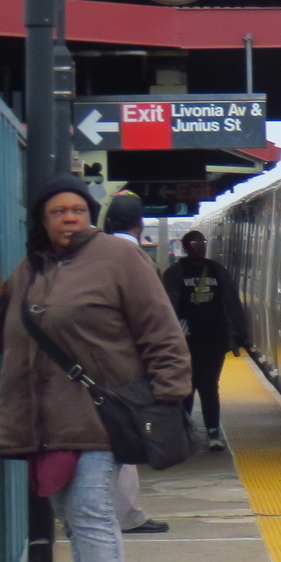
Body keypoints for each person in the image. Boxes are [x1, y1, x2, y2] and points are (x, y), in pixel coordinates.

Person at [0, 175, 191, 562]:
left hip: (101, 414)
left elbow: (161, 329)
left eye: (78, 210)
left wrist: (169, 396)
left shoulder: (119, 258)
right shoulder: (31, 268)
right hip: (47, 423)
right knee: (75, 518)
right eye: (58, 212)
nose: (70, 218)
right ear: (42, 221)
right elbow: (3, 339)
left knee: (90, 513)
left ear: (91, 215)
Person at [100, 191, 170, 533]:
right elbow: (156, 321)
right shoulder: (139, 260)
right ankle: (125, 515)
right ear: (139, 226)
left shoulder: (89, 256)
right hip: (126, 369)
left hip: (90, 367)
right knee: (124, 444)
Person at [163, 229, 248, 453]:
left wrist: (240, 333)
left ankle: (213, 433)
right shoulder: (175, 273)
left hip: (214, 339)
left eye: (202, 241)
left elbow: (232, 303)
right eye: (194, 242)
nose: (200, 246)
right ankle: (185, 433)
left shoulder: (218, 271)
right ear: (185, 247)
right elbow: (166, 306)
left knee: (210, 386)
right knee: (187, 388)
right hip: (185, 341)